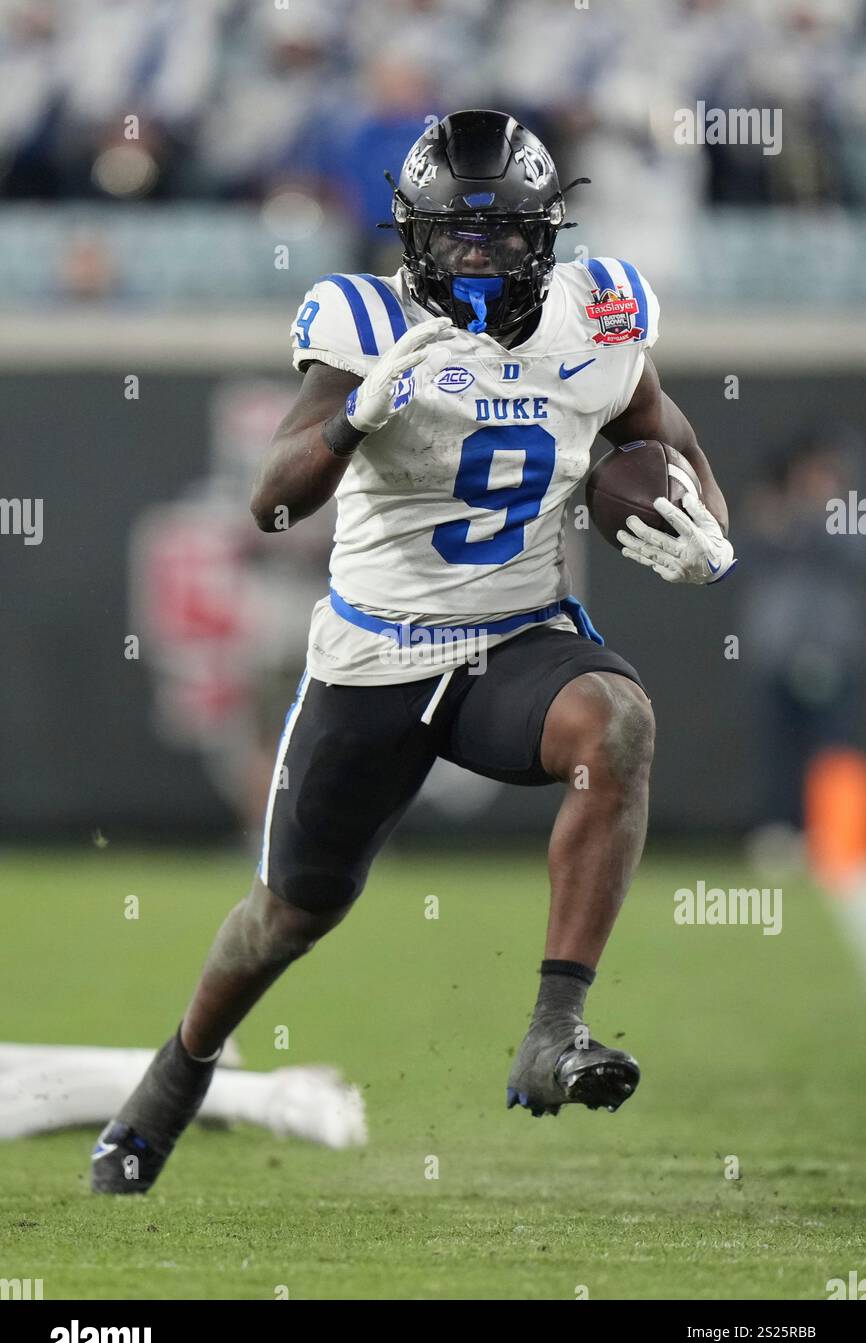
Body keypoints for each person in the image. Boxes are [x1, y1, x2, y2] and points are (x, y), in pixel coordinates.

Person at [92, 109, 735, 1194]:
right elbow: (271, 502)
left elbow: (659, 436)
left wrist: (704, 536)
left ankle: (554, 1025)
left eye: (496, 239)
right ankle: (176, 1073)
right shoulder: (363, 320)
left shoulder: (602, 316)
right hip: (375, 655)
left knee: (616, 721)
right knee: (289, 913)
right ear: (410, 235)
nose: (472, 260)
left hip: (513, 640)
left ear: (547, 236)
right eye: (451, 238)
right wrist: (353, 418)